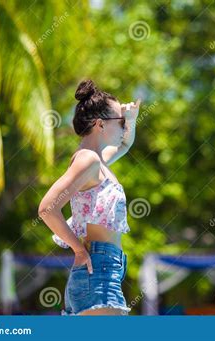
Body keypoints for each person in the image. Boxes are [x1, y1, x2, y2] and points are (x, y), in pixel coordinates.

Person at [38, 79, 141, 315]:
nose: (123, 126)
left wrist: (131, 119)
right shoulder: (88, 160)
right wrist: (78, 250)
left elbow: (125, 144)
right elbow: (46, 208)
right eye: (120, 121)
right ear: (100, 124)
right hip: (98, 271)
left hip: (103, 270)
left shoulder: (98, 160)